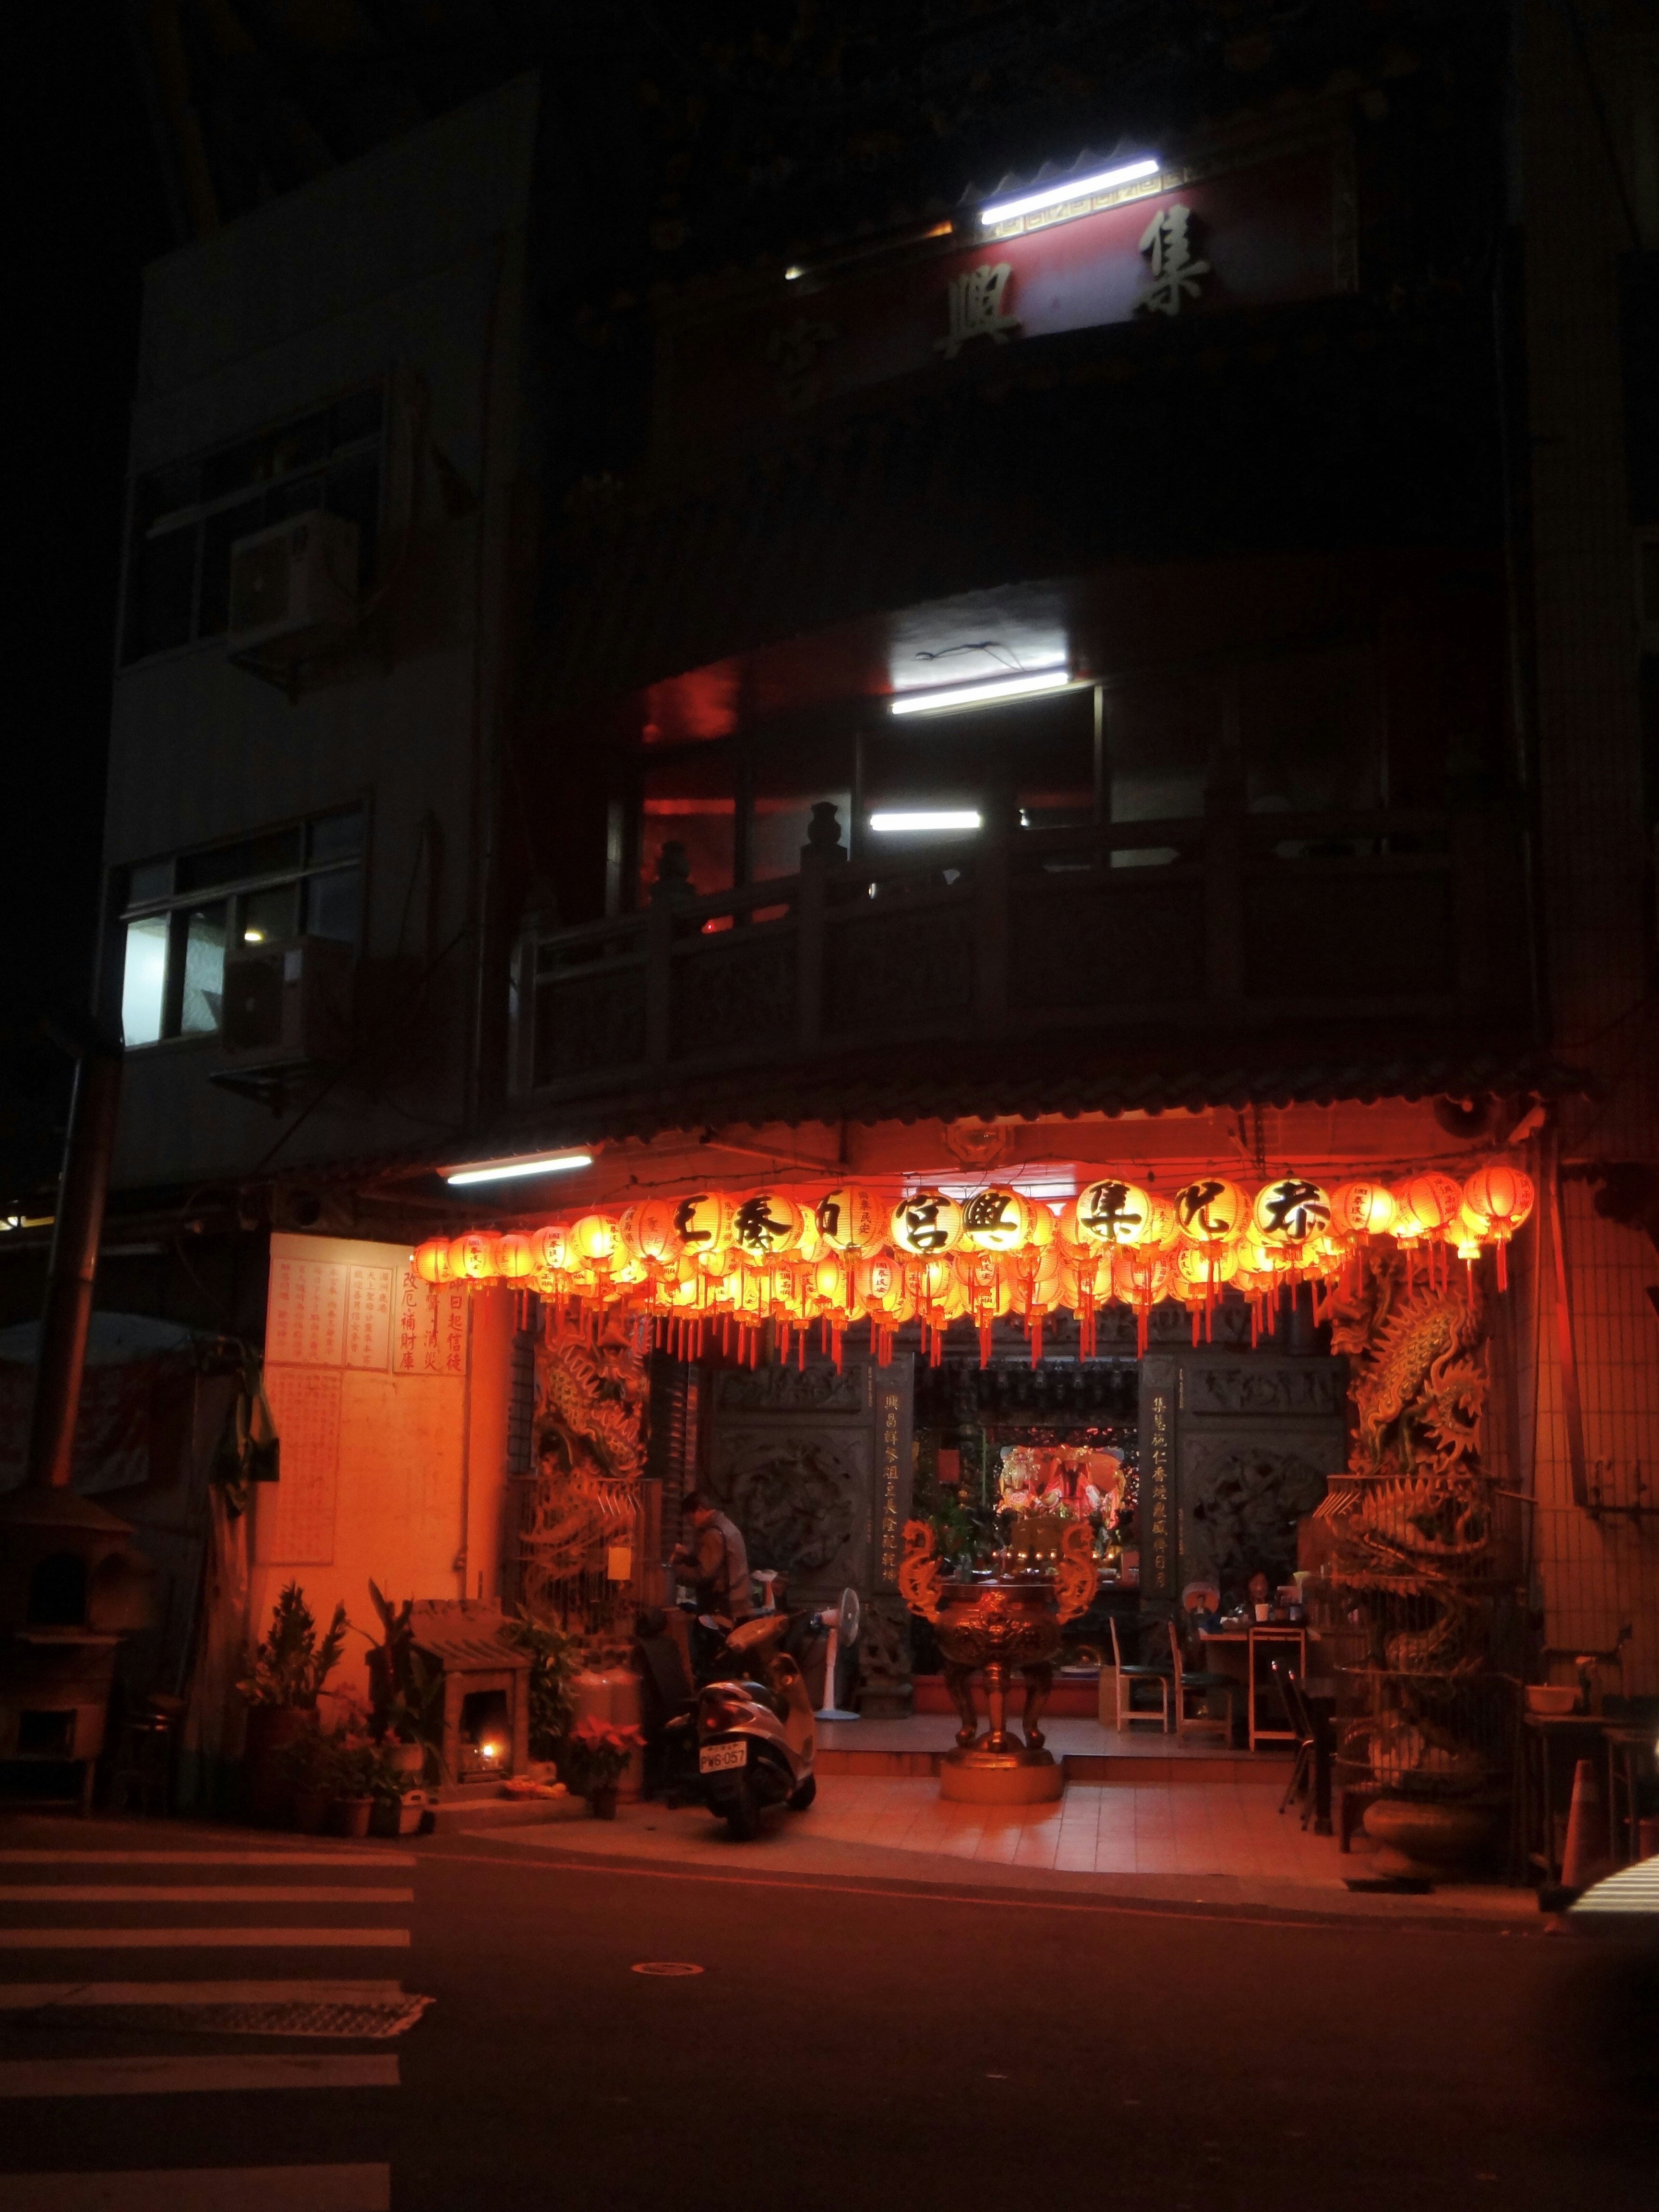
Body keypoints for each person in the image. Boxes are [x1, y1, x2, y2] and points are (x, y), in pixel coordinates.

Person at [671, 1491, 754, 1624]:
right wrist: (689, 1556)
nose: (690, 1524)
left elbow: (703, 1574)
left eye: (690, 1519)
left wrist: (674, 1572)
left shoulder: (713, 1533)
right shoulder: (727, 1526)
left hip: (725, 1609)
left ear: (700, 1510)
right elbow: (720, 1563)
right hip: (740, 1603)